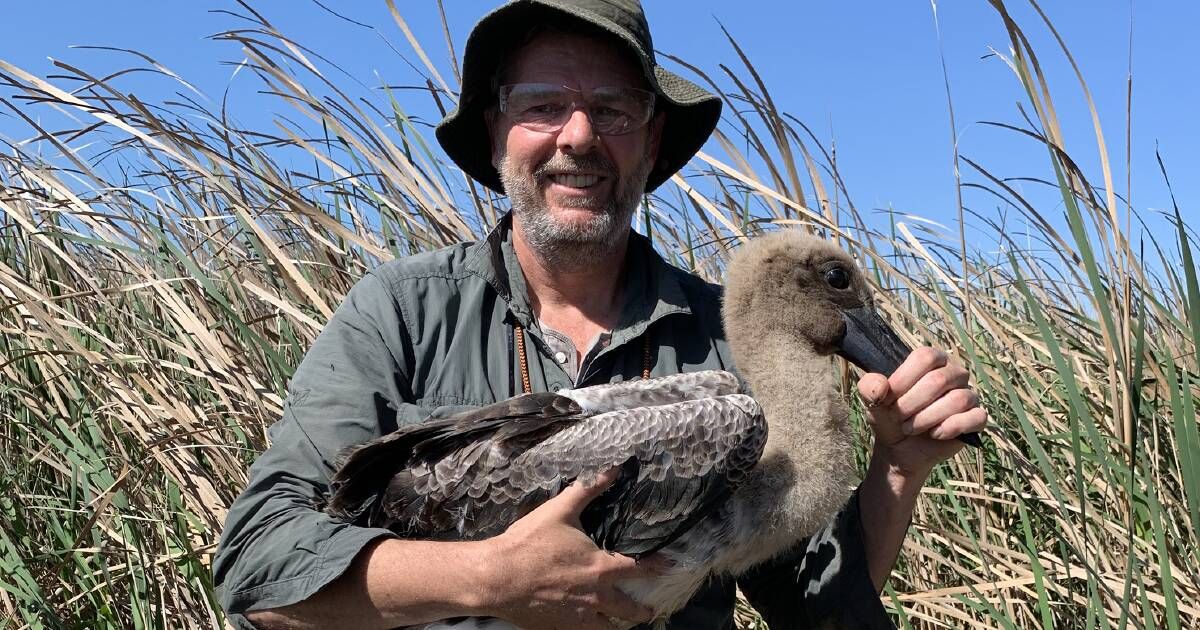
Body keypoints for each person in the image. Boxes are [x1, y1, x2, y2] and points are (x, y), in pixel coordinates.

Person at [212, 1, 989, 628]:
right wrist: (491, 578)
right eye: (543, 105)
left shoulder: (734, 341)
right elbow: (260, 565)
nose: (578, 136)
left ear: (652, 142)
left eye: (612, 110)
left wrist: (897, 466)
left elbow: (817, 608)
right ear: (496, 133)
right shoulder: (404, 311)